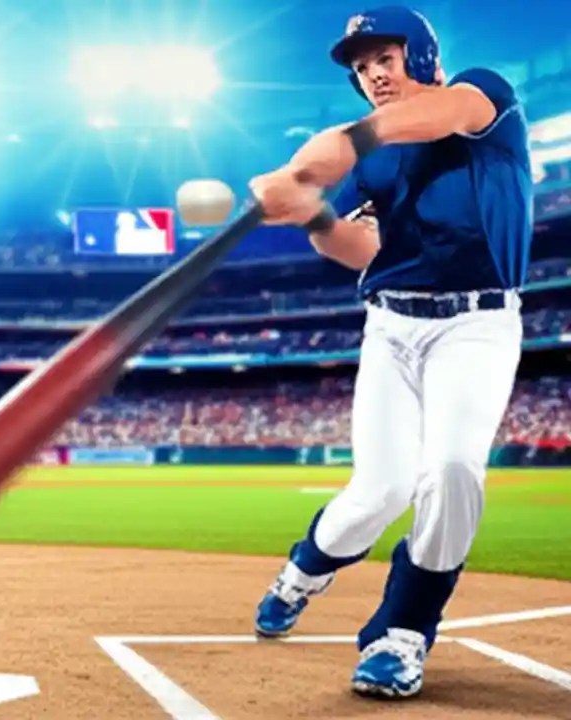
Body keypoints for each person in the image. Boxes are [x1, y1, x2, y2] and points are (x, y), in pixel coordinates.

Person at [245, 5, 532, 700]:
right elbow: (358, 249)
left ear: (423, 53)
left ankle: (401, 634)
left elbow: (434, 117)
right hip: (392, 328)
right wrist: (310, 211)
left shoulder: (480, 97)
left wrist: (333, 149)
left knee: (454, 470)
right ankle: (302, 572)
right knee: (377, 492)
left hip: (477, 324)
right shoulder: (377, 160)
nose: (374, 74)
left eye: (385, 56)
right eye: (362, 66)